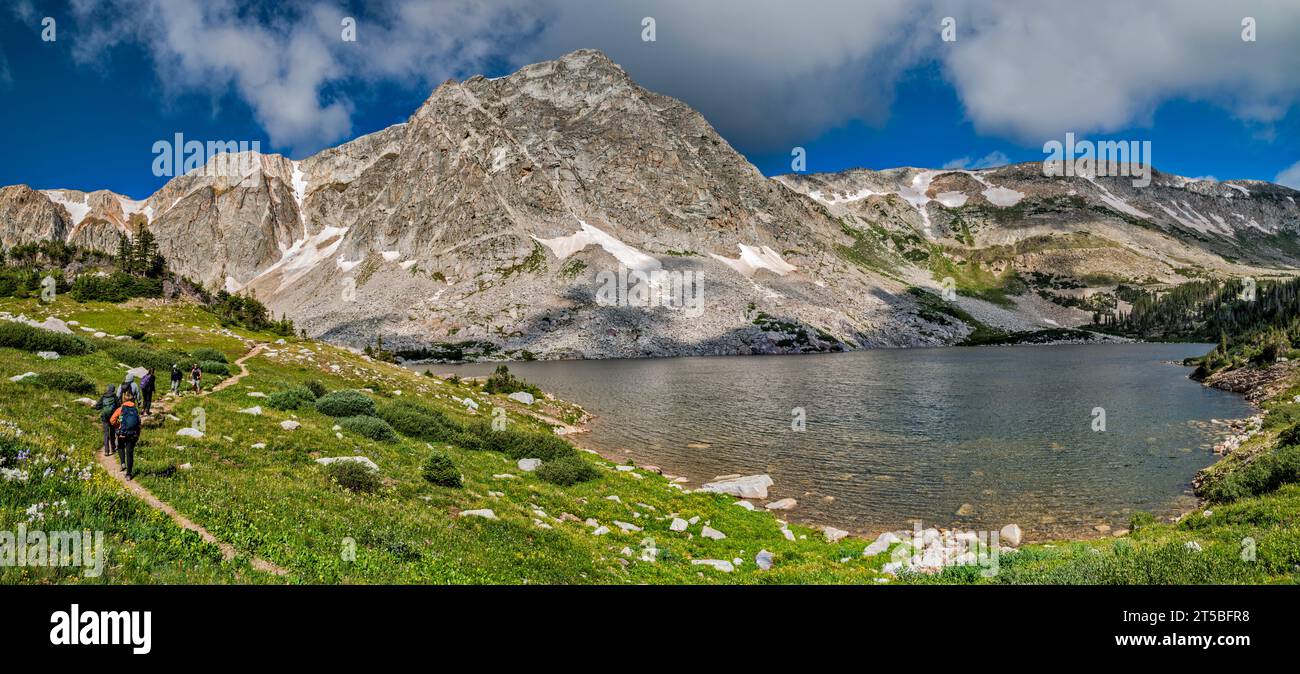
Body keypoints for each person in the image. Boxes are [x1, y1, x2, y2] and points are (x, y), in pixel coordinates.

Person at [110, 390, 142, 480]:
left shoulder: (120, 409)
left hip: (122, 434)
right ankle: (128, 474)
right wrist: (138, 434)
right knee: (130, 453)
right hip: (132, 435)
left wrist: (118, 425)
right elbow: (139, 424)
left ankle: (123, 462)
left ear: (123, 399)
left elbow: (112, 420)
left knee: (120, 446)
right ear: (132, 400)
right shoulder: (135, 410)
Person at [95, 384, 119, 456]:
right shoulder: (115, 397)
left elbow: (97, 406)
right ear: (113, 389)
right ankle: (113, 448)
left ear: (108, 389)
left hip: (104, 417)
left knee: (106, 433)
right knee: (112, 432)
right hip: (112, 417)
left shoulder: (103, 396)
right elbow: (118, 406)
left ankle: (106, 451)